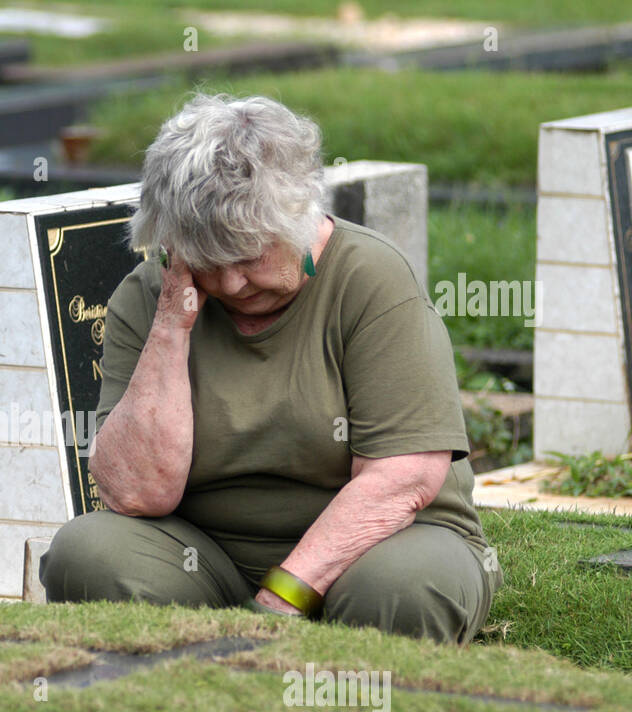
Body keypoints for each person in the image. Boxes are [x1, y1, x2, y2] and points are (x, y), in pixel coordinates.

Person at [39, 92, 502, 644]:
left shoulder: (371, 281)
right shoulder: (148, 300)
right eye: (208, 261)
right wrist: (171, 325)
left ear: (299, 216)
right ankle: (175, 708)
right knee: (85, 553)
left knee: (401, 590)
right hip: (205, 557)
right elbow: (137, 495)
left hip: (381, 546)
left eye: (250, 255)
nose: (232, 284)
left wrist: (281, 600)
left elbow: (401, 480)